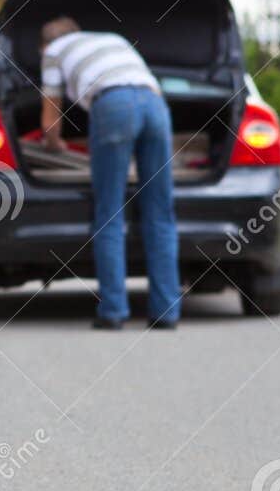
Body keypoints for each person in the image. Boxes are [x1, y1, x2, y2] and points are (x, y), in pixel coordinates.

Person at [39, 17, 180, 330]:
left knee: (110, 210)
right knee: (160, 210)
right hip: (155, 105)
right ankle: (166, 312)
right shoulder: (113, 37)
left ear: (46, 43)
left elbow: (51, 113)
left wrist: (53, 144)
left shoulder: (53, 52)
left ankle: (114, 311)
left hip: (114, 105)